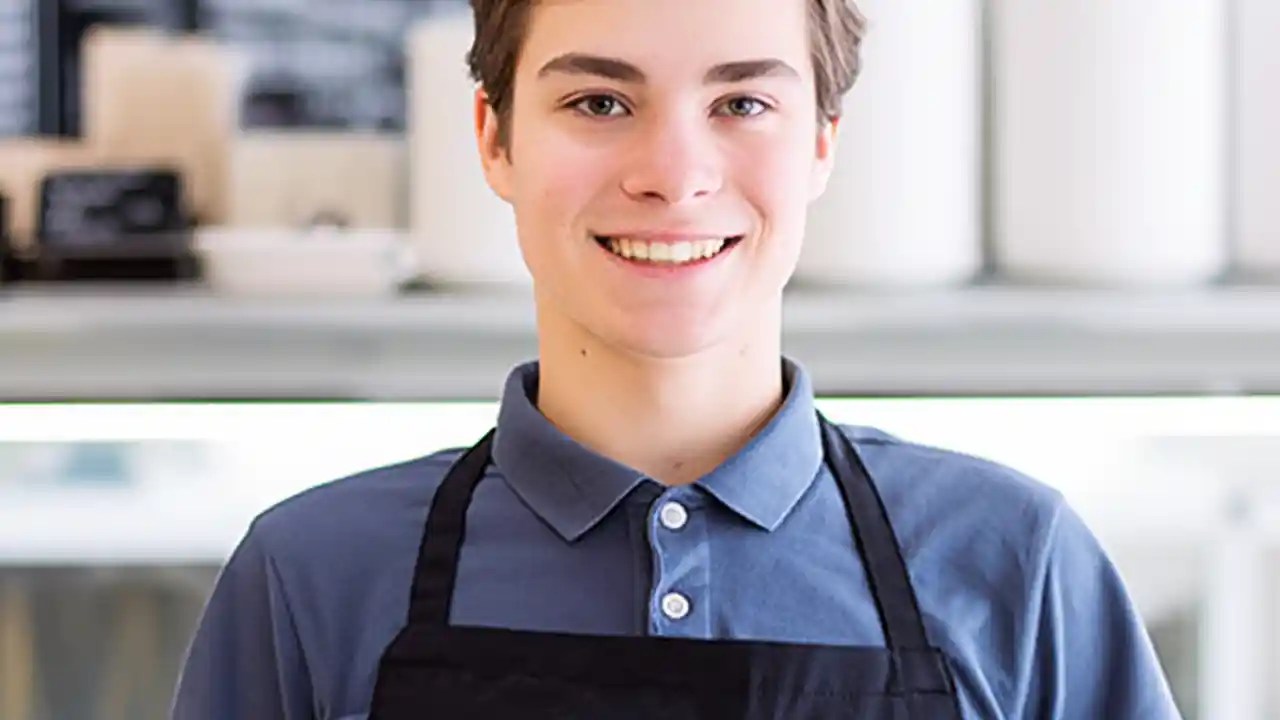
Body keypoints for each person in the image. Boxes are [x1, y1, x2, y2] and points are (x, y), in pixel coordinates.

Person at [171, 0, 1183, 717]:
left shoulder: (1014, 562)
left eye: (741, 104)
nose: (672, 175)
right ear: (494, 139)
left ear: (822, 142)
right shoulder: (311, 577)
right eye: (598, 104)